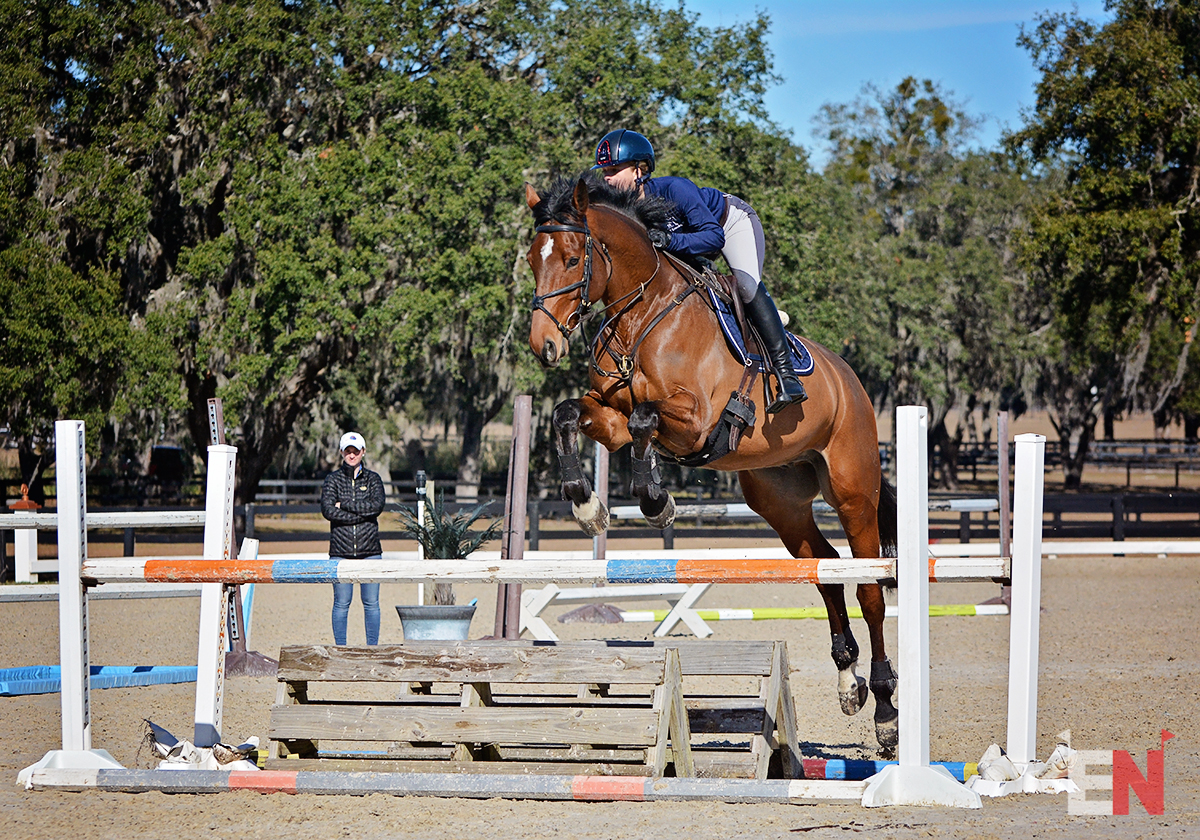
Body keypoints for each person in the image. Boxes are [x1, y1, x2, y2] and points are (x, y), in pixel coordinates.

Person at [592, 128, 807, 411]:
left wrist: (671, 240)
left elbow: (713, 237)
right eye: (604, 171)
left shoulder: (675, 189)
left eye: (614, 169)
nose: (607, 177)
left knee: (745, 285)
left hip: (730, 224)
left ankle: (787, 374)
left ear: (639, 170)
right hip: (691, 240)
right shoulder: (624, 211)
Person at [321, 431, 385, 645]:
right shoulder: (332, 480)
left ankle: (372, 648)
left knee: (371, 603)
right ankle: (341, 648)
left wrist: (345, 505)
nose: (351, 454)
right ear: (341, 452)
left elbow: (376, 507)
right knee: (341, 603)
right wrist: (360, 516)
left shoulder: (374, 479)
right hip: (340, 553)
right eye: (348, 450)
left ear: (363, 452)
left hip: (370, 552)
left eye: (355, 451)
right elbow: (328, 511)